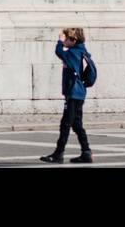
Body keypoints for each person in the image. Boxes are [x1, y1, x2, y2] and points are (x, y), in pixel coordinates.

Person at [40, 27, 94, 164]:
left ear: (73, 40)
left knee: (65, 124)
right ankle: (86, 152)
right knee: (76, 125)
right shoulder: (81, 52)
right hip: (78, 93)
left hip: (74, 94)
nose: (64, 41)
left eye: (66, 38)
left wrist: (59, 41)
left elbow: (59, 52)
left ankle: (58, 154)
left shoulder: (74, 53)